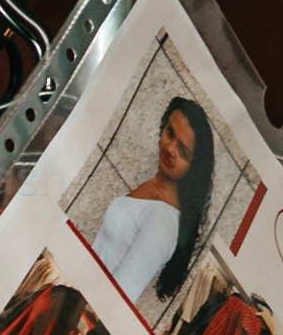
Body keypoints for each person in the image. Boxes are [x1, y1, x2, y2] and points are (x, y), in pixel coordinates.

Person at [92, 88, 220, 306]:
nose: (170, 149)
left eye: (183, 151)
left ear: (193, 167)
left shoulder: (164, 220)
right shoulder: (153, 190)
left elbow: (121, 297)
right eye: (170, 133)